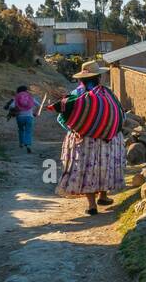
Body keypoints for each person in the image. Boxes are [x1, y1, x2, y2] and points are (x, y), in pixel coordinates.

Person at [48, 61, 125, 216]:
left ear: (81, 79)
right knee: (104, 166)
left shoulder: (75, 95)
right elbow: (119, 113)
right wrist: (105, 128)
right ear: (99, 77)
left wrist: (78, 127)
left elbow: (62, 118)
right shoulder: (108, 93)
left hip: (83, 141)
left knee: (86, 169)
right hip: (108, 140)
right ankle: (104, 196)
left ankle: (92, 206)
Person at [9, 85, 37, 153]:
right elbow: (38, 105)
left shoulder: (17, 97)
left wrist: (14, 111)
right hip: (29, 117)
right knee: (28, 131)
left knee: (21, 130)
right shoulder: (30, 97)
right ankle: (27, 145)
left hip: (20, 117)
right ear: (26, 90)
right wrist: (35, 112)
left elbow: (11, 106)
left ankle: (21, 143)